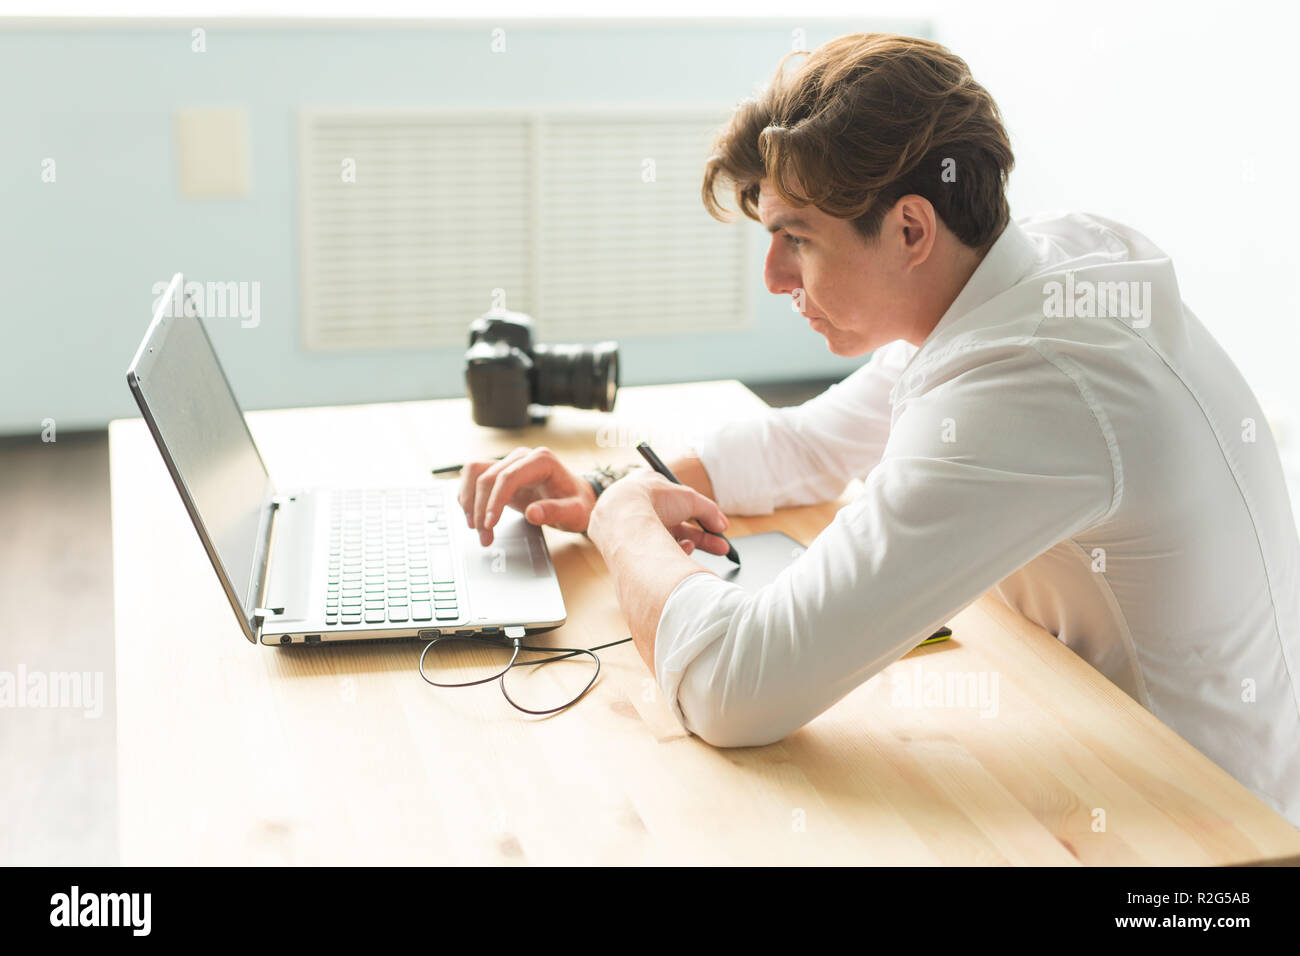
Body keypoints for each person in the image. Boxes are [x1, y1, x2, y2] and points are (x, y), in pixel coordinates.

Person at [458, 33, 1300, 827]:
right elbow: (811, 445)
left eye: (797, 239)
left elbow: (734, 687)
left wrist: (625, 523)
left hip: (1209, 839)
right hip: (1139, 767)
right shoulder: (1030, 274)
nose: (774, 275)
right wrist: (606, 487)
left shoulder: (1026, 388)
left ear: (909, 229)